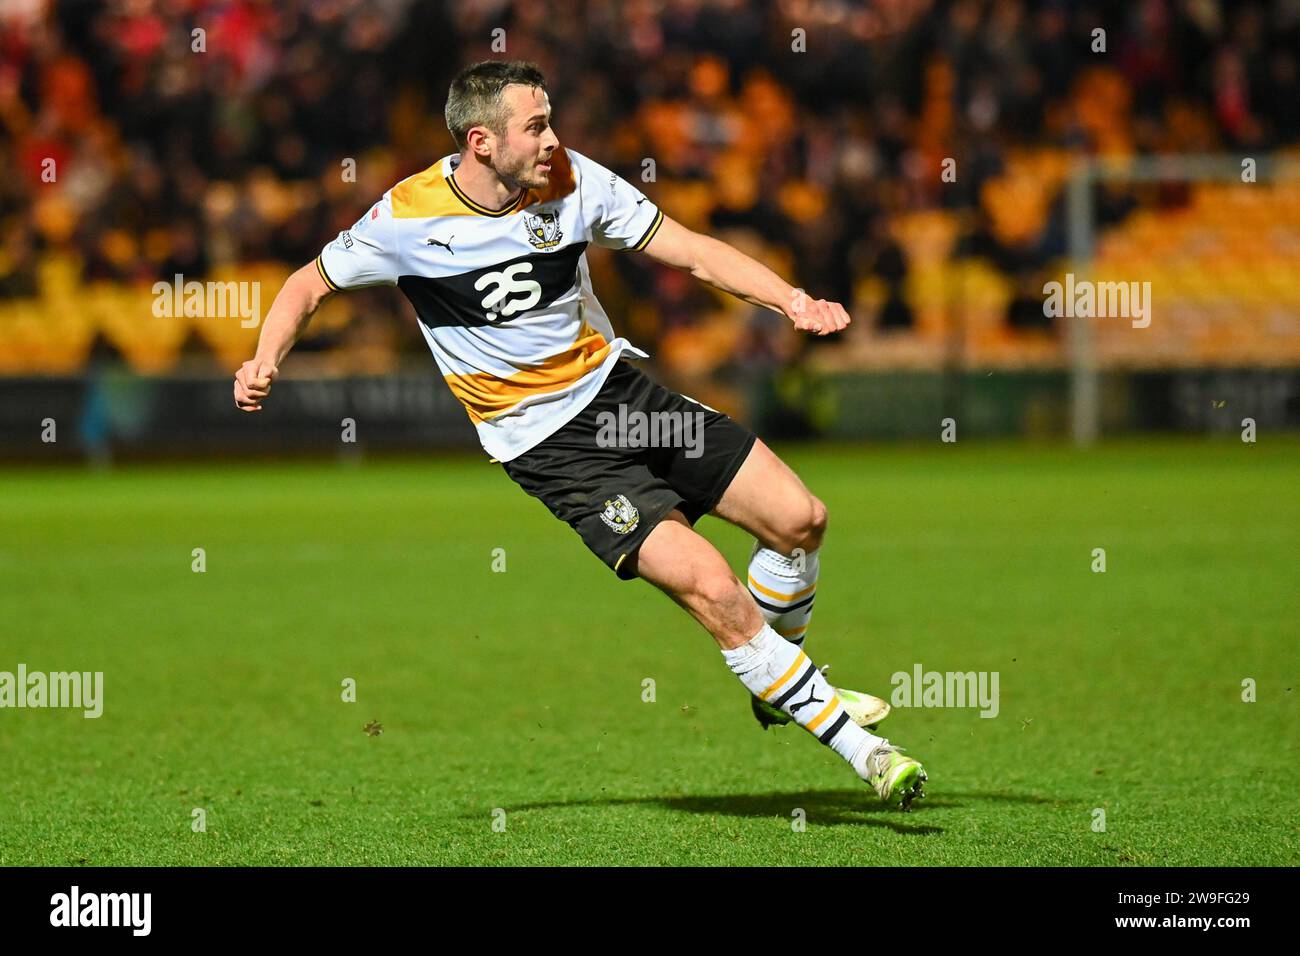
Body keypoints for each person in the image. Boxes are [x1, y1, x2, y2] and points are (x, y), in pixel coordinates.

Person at [233, 60, 926, 809]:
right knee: (713, 586)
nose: (552, 138)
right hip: (549, 447)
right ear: (482, 142)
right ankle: (870, 755)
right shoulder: (407, 217)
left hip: (620, 393)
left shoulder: (570, 179)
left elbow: (690, 250)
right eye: (535, 126)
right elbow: (307, 283)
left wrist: (789, 299)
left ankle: (781, 685)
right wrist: (264, 358)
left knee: (802, 520)